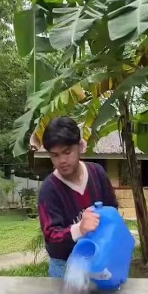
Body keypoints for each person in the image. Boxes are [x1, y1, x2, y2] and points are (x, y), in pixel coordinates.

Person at [36, 116, 120, 279]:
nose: (62, 161)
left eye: (67, 152)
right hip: (64, 267)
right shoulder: (49, 190)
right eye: (55, 155)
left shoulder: (97, 173)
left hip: (99, 260)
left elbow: (113, 209)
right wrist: (80, 229)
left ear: (80, 146)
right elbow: (51, 237)